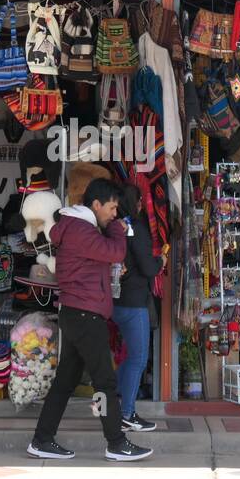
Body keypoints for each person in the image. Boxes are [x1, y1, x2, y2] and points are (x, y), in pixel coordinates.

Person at [28, 178, 153, 462]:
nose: (114, 214)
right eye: (111, 208)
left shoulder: (79, 228)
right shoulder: (81, 229)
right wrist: (117, 231)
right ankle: (116, 442)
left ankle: (42, 439)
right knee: (105, 382)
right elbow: (116, 252)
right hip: (85, 315)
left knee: (65, 382)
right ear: (95, 204)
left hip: (77, 313)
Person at [113, 184, 165, 433]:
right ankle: (127, 413)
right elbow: (149, 268)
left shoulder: (115, 228)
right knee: (138, 358)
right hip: (134, 301)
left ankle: (115, 401)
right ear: (137, 204)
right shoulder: (137, 229)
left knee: (132, 356)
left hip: (116, 301)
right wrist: (161, 260)